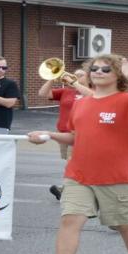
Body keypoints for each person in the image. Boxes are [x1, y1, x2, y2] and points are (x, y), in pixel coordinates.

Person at [26, 54, 128, 254]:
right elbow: (75, 136)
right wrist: (49, 135)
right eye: (94, 68)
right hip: (79, 174)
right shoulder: (81, 104)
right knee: (70, 220)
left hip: (117, 176)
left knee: (123, 224)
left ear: (118, 75)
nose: (98, 72)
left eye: (105, 69)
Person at [43, 68, 88, 201]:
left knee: (72, 162)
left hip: (80, 134)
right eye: (75, 74)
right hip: (63, 132)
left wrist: (76, 83)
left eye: (81, 75)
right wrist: (51, 79)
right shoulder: (66, 91)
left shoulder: (92, 91)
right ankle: (80, 187)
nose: (76, 76)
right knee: (72, 163)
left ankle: (66, 189)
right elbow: (43, 93)